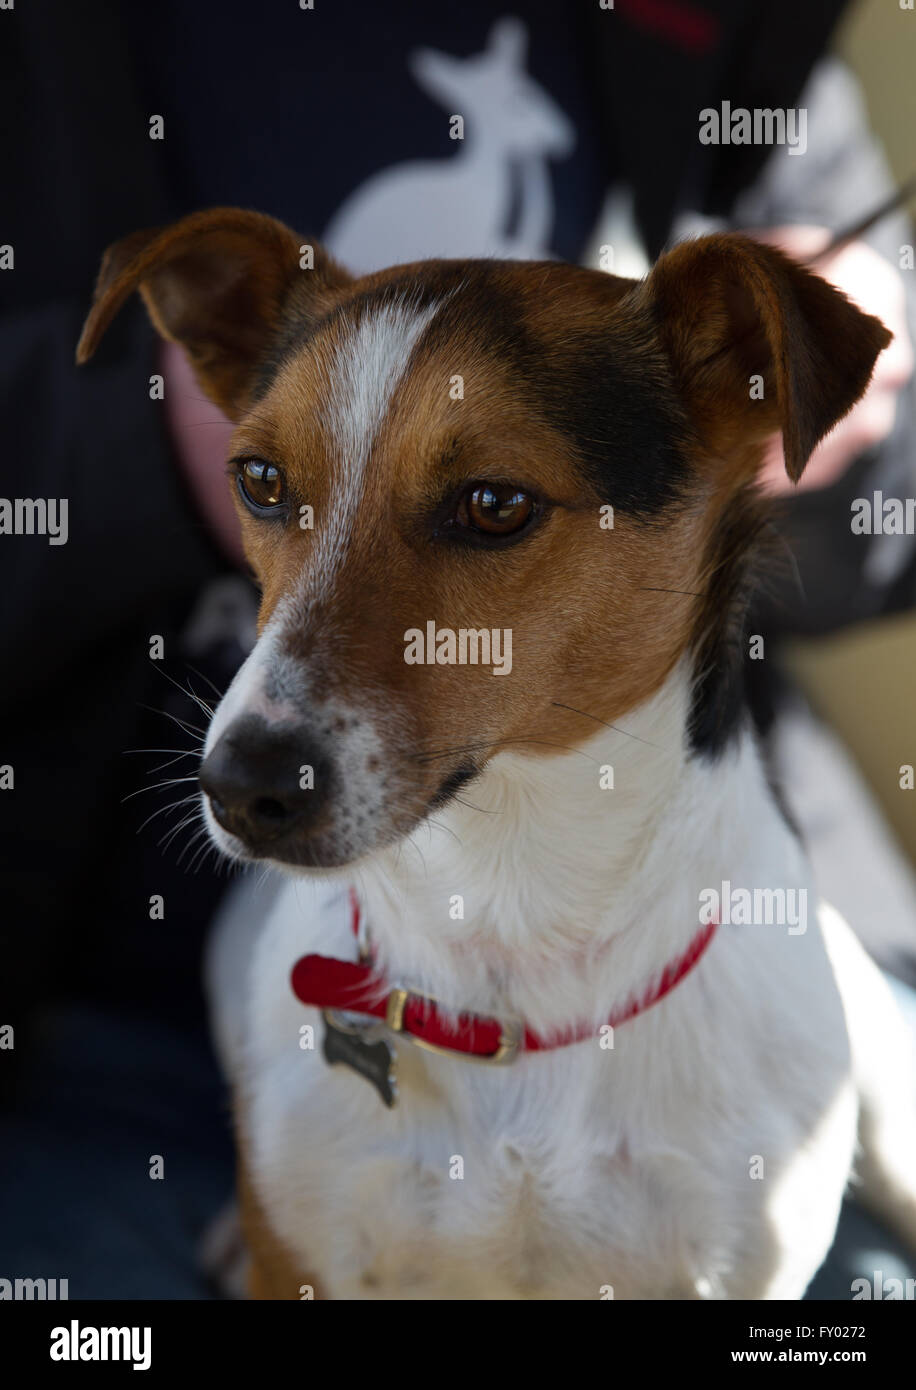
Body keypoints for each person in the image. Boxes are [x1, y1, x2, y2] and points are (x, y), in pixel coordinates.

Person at [2, 0, 914, 1299]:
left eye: (488, 511)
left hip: (719, 992)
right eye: (276, 486)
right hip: (102, 1048)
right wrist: (132, 454)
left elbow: (890, 530)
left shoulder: (739, 34)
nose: (277, 715)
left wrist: (872, 390)